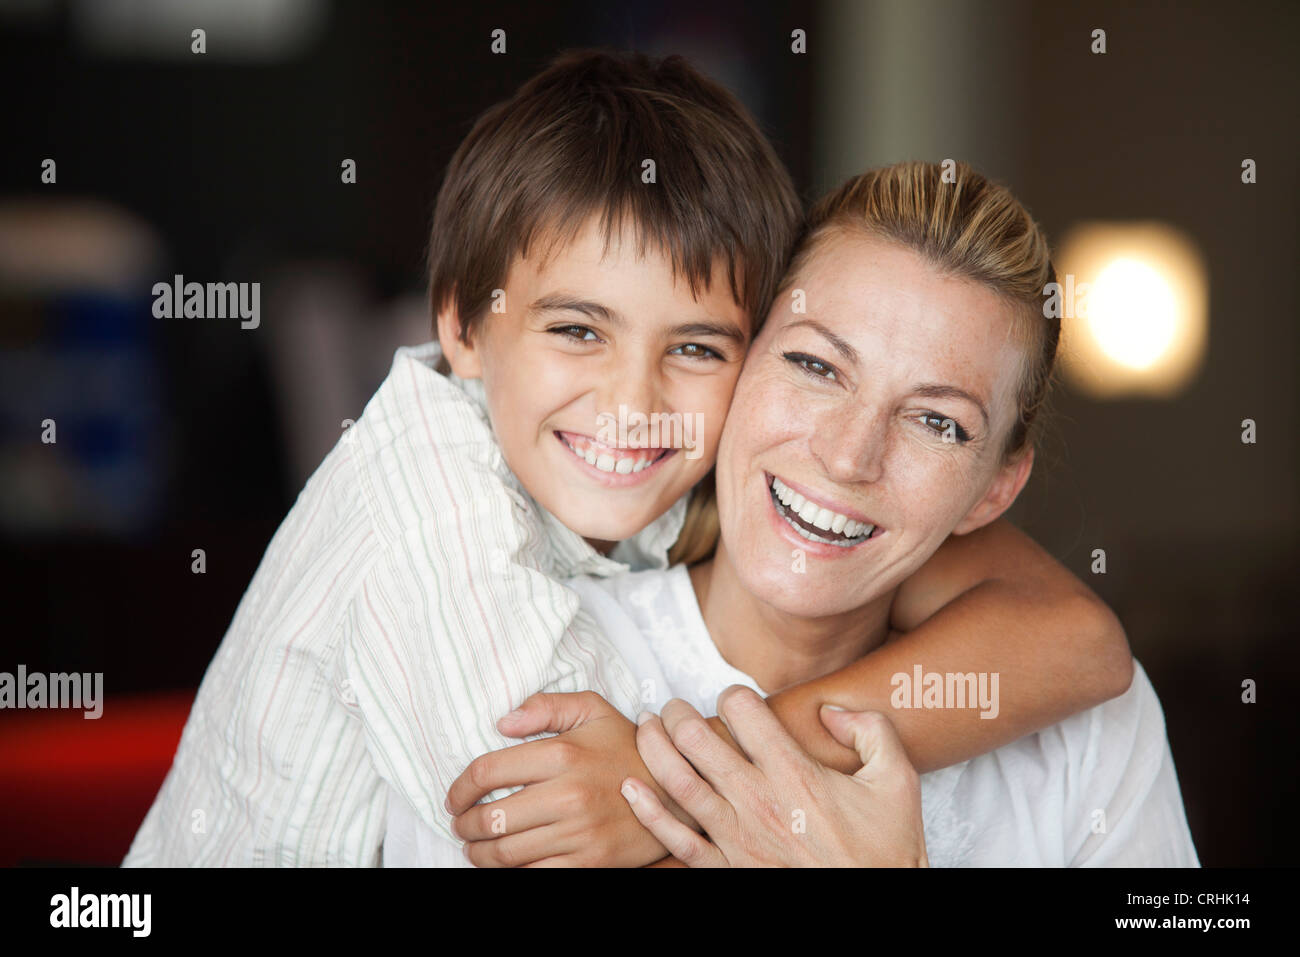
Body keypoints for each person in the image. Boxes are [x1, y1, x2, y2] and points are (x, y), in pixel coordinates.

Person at [124, 52, 1129, 868]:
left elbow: (1076, 643)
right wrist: (713, 795)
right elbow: (552, 820)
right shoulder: (432, 521)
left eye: (695, 348)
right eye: (576, 330)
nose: (633, 403)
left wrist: (667, 772)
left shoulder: (667, 492)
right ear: (463, 329)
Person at [436, 162, 1200, 867]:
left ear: (995, 490)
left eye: (937, 421)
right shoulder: (527, 663)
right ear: (736, 359)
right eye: (815, 366)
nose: (847, 455)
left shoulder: (1088, 725)